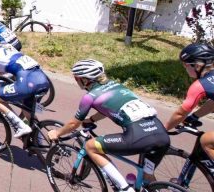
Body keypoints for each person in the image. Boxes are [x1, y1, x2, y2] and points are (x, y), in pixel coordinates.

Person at [47, 60, 169, 192]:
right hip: (162, 136)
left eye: (76, 78)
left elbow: (73, 124)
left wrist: (57, 133)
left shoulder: (90, 96)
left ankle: (125, 188)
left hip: (137, 136)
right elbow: (109, 108)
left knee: (90, 146)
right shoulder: (118, 86)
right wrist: (92, 119)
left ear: (84, 79)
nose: (76, 81)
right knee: (147, 177)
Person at [164, 42, 214, 160]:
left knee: (206, 141)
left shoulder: (200, 85)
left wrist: (163, 130)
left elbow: (180, 113)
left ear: (196, 66)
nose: (185, 69)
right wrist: (194, 117)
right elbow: (212, 104)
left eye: (185, 65)